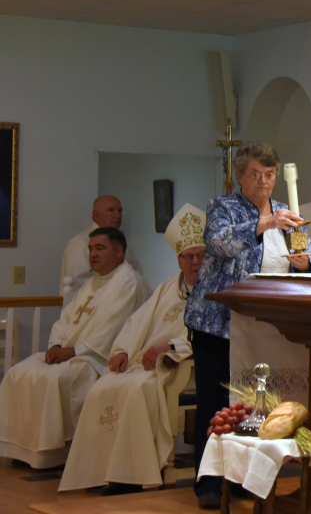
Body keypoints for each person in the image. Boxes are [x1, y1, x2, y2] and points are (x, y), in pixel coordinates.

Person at [184, 142, 311, 510]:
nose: (264, 181)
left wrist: (305, 263)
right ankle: (209, 484)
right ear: (240, 177)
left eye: (270, 174)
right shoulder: (223, 207)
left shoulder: (286, 211)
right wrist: (266, 223)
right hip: (219, 325)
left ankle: (244, 481)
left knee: (253, 406)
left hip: (265, 328)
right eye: (255, 174)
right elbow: (218, 244)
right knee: (216, 404)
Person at [59, 204, 205, 495]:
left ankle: (131, 475)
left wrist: (171, 346)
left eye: (201, 255)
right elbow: (135, 322)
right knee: (102, 386)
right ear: (179, 260)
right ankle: (99, 470)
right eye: (188, 256)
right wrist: (123, 350)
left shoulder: (214, 292)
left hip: (179, 368)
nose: (195, 262)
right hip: (146, 364)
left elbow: (210, 335)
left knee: (137, 389)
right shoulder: (167, 288)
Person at [0, 227, 151, 469]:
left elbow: (114, 328)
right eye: (90, 249)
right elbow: (66, 317)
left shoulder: (128, 282)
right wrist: (56, 344)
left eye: (100, 248)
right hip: (73, 352)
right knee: (16, 374)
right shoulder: (93, 283)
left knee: (53, 379)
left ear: (119, 252)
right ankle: (21, 448)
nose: (93, 254)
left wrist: (72, 351)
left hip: (99, 358)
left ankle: (51, 452)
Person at [60, 195, 143, 296]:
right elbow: (78, 282)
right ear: (96, 215)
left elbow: (137, 273)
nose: (117, 215)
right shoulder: (80, 242)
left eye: (119, 211)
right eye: (111, 210)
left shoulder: (123, 243)